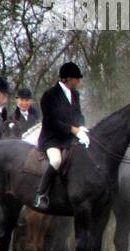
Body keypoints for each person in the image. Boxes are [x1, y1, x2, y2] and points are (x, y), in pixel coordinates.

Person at [34, 63, 89, 209]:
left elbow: (78, 114)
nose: (78, 82)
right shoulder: (49, 95)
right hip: (52, 139)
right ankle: (41, 194)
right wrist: (73, 130)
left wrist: (81, 127)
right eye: (76, 79)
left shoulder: (75, 94)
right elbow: (51, 121)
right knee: (57, 161)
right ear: (67, 79)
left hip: (69, 138)